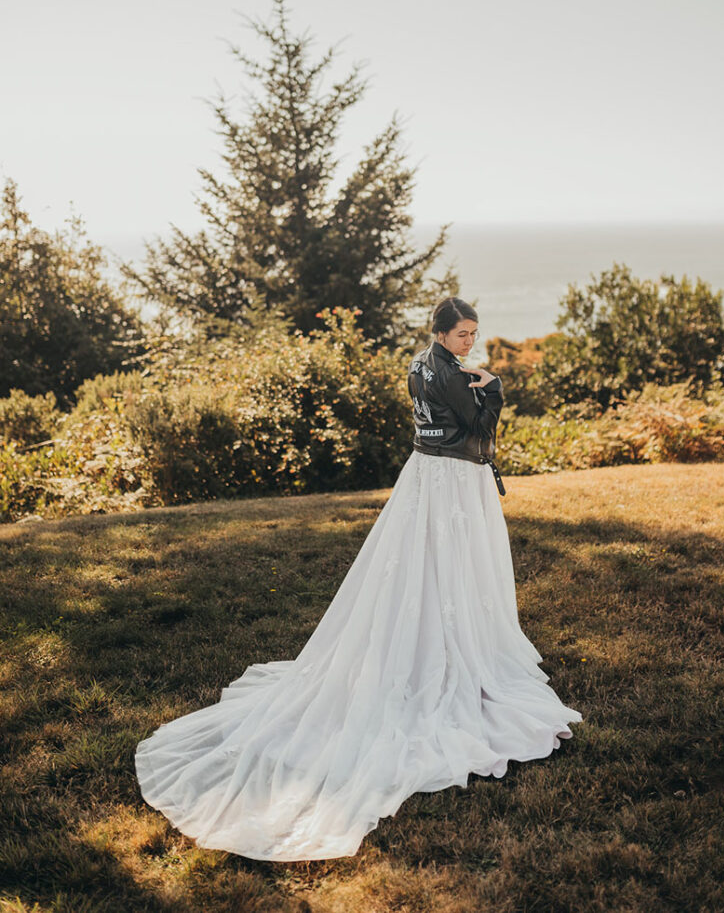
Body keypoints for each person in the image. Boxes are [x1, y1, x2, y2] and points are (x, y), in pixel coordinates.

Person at [134, 296, 583, 861]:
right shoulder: (454, 375)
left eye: (475, 333)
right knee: (442, 562)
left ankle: (446, 628)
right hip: (449, 480)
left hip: (428, 473)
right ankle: (441, 652)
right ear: (441, 333)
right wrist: (491, 386)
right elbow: (479, 425)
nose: (471, 342)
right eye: (463, 334)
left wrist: (472, 381)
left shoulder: (421, 365)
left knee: (432, 566)